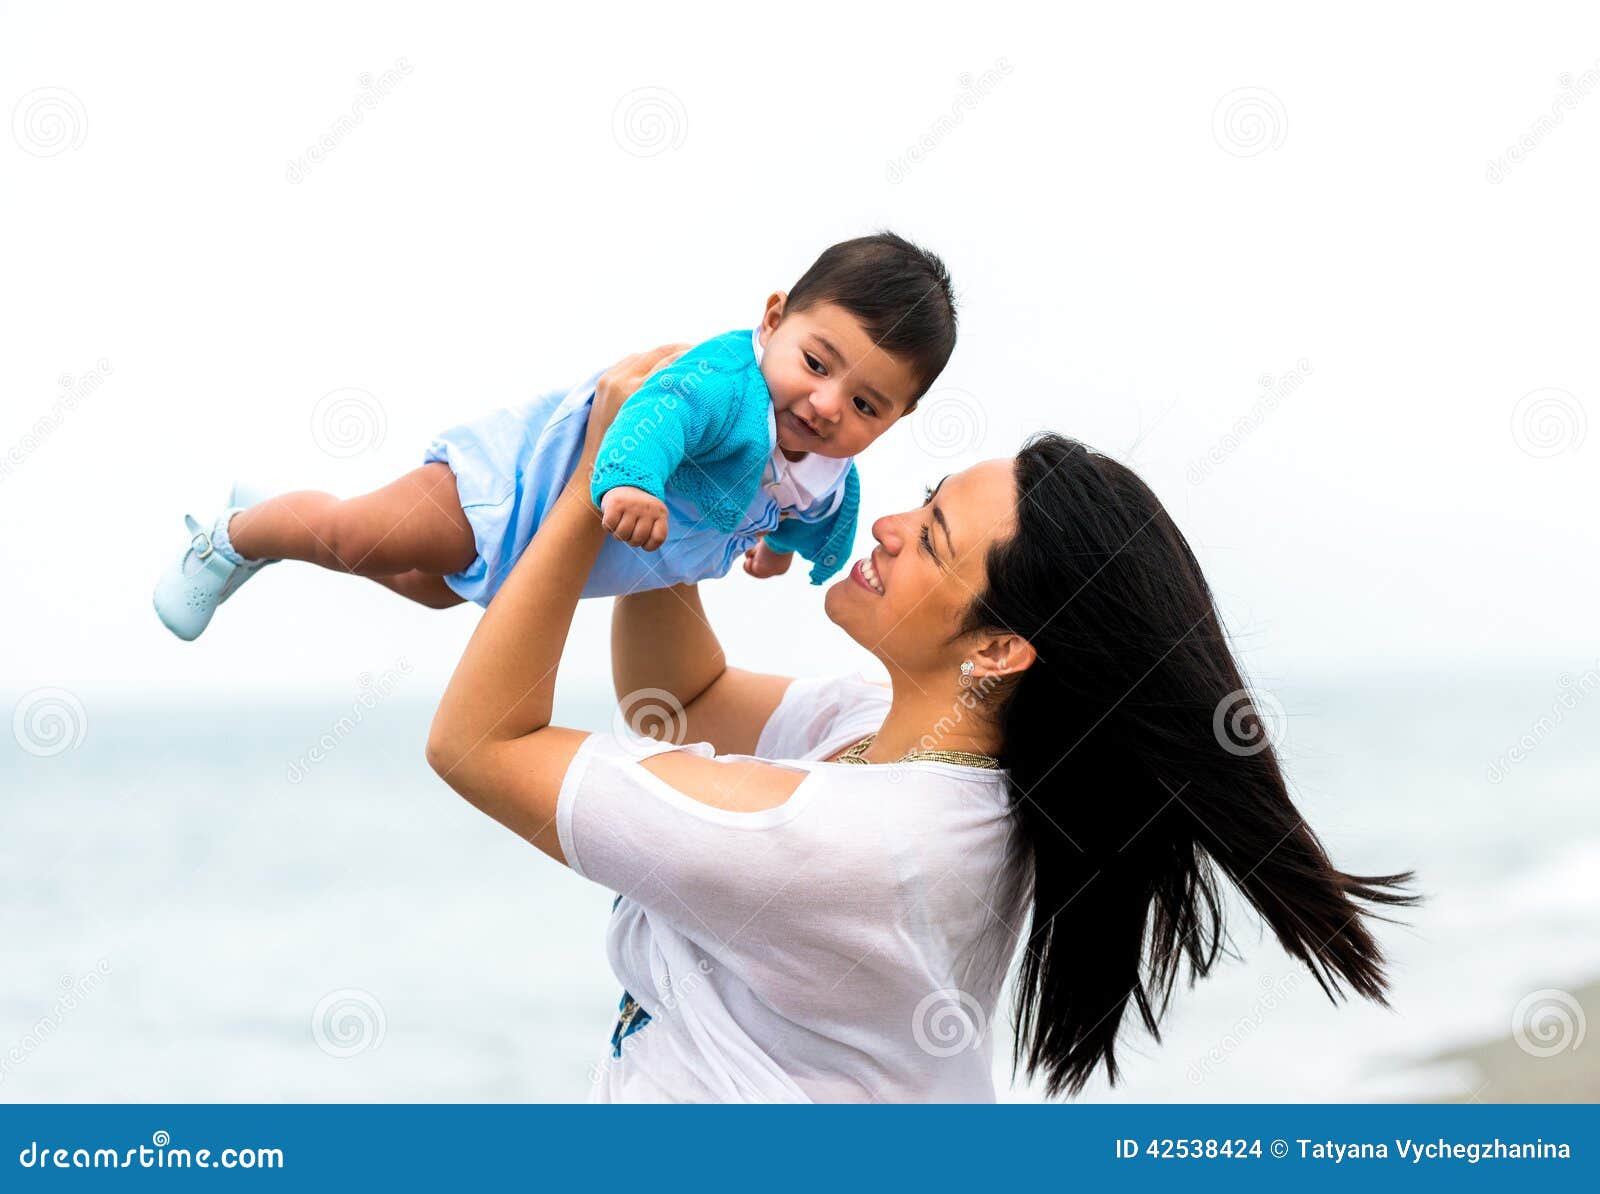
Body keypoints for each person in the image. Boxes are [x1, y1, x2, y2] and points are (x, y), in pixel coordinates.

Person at [424, 347, 1417, 1103]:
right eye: (928, 502)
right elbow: (684, 698)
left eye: (932, 538)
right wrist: (692, 483)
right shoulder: (921, 746)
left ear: (996, 651)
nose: (889, 524)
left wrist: (595, 474)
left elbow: (479, 747)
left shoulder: (841, 843)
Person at [151, 233, 958, 641]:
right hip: (522, 483)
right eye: (816, 363)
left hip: (560, 554)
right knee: (360, 534)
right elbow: (655, 411)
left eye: (866, 406)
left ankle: (277, 520)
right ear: (774, 319)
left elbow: (812, 514)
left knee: (429, 586)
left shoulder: (826, 469)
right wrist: (632, 482)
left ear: (898, 418)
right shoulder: (726, 386)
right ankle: (239, 535)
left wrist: (783, 551)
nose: (825, 406)